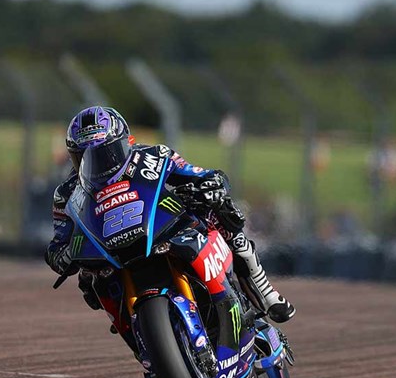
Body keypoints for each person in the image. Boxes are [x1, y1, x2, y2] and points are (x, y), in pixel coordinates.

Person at [45, 106, 295, 323]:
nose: (97, 165)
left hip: (165, 226)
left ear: (125, 143)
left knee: (225, 216)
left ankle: (265, 291)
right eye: (84, 158)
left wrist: (211, 185)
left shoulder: (154, 156)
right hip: (110, 252)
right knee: (91, 283)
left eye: (104, 154)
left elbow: (199, 174)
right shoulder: (66, 194)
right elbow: (57, 245)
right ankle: (139, 336)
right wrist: (64, 256)